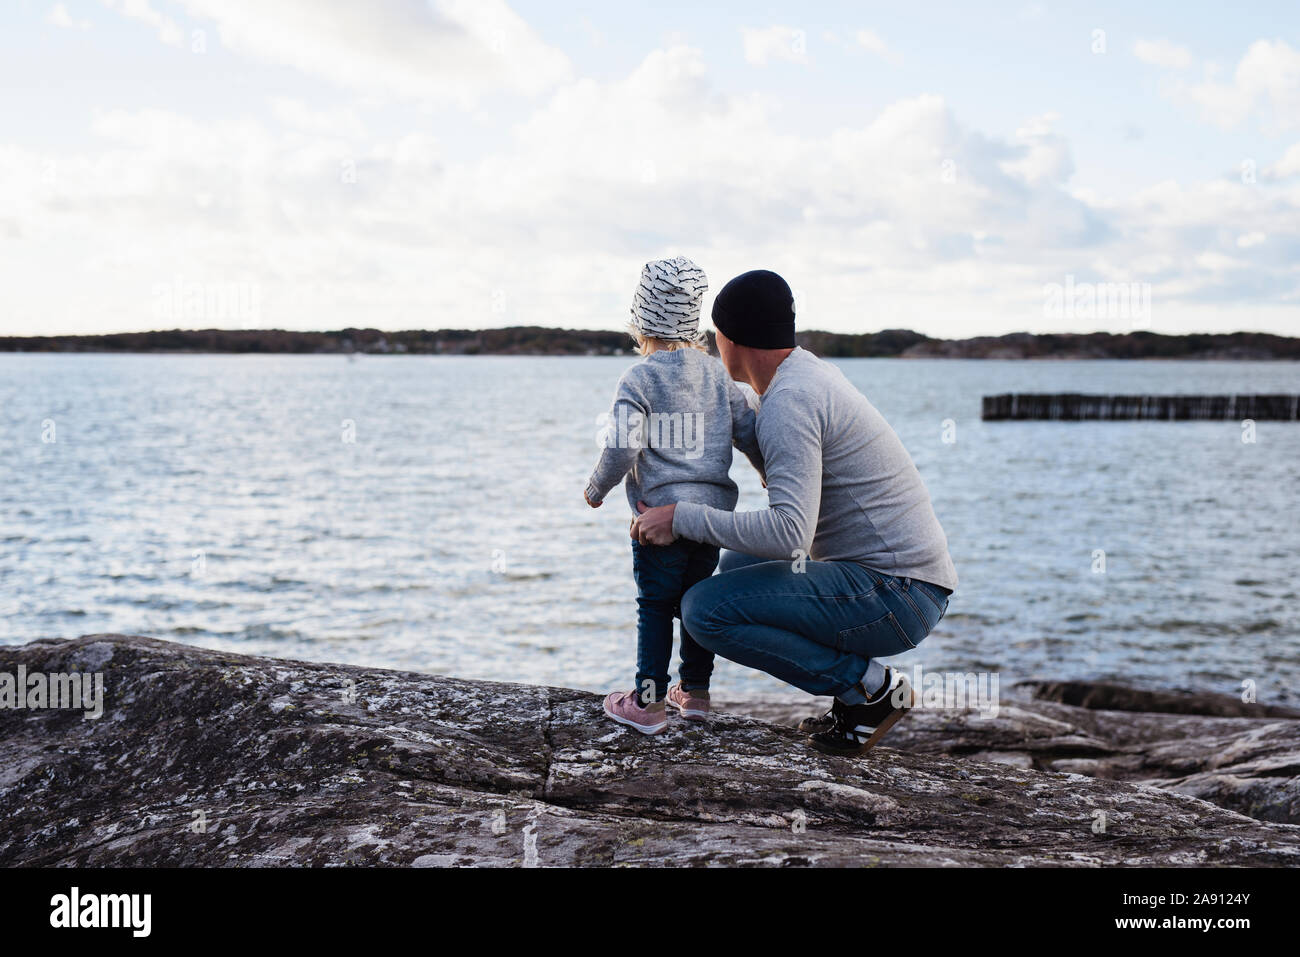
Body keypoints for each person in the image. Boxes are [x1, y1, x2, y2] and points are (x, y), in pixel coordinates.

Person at [631, 269, 957, 755]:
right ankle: (855, 702)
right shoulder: (805, 374)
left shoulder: (791, 400)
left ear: (729, 338)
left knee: (703, 610)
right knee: (735, 566)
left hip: (900, 594)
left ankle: (869, 688)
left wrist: (680, 516)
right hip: (904, 583)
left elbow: (789, 535)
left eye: (713, 333)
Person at [585, 256, 765, 734]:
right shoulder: (716, 375)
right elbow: (748, 428)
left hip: (658, 520)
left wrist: (596, 488)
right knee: (693, 604)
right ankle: (697, 693)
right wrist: (767, 472)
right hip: (708, 520)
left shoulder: (640, 378)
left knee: (654, 607)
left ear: (641, 319)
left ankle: (647, 701)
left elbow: (622, 446)